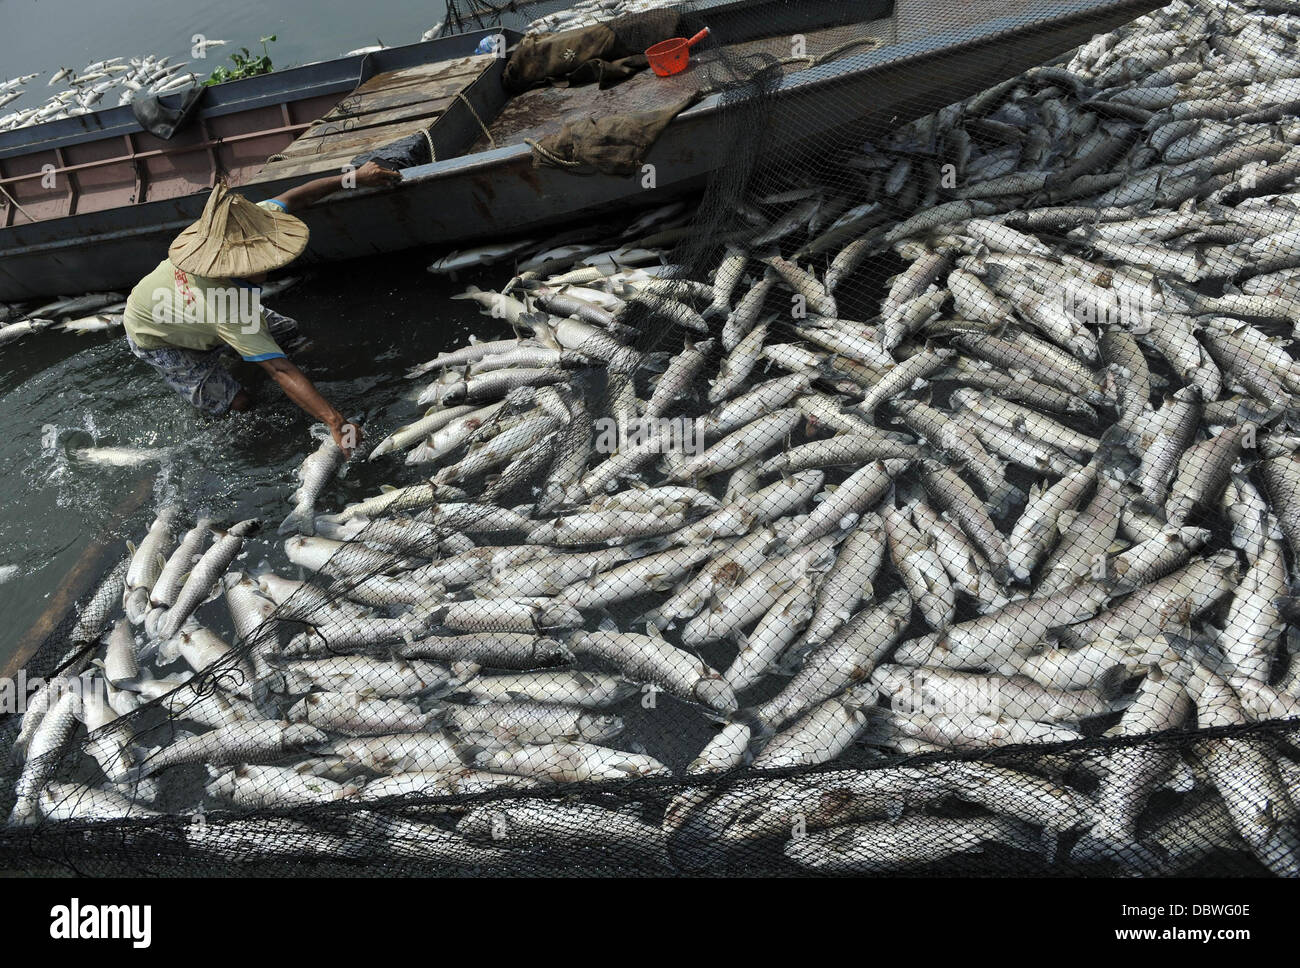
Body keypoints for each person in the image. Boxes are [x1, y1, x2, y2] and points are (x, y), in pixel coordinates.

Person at [122, 161, 401, 456]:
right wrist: (336, 422)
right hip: (158, 335)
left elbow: (296, 196)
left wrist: (354, 178)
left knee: (289, 333)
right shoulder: (229, 308)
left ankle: (243, 353)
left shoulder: (236, 227)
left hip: (191, 310)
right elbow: (279, 370)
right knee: (241, 404)